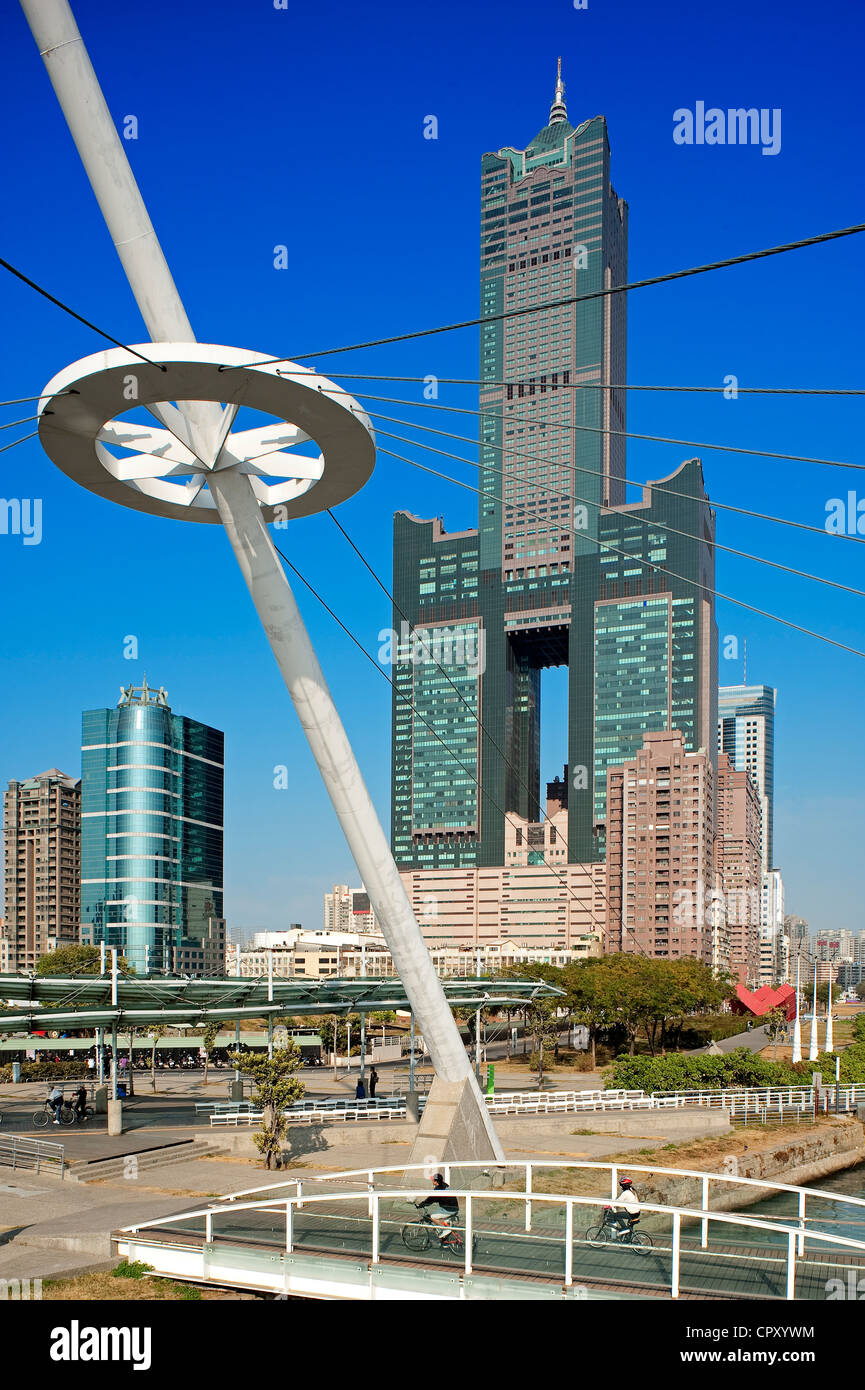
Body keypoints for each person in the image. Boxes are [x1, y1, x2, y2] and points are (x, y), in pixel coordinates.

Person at [416, 1173, 460, 1245]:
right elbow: (434, 1199)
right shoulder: (445, 1185)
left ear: (436, 1182)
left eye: (433, 1180)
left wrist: (421, 1204)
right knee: (444, 1221)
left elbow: (431, 1199)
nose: (432, 1181)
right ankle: (445, 1242)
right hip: (454, 1208)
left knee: (433, 1217)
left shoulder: (438, 1190)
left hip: (448, 1209)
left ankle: (446, 1230)